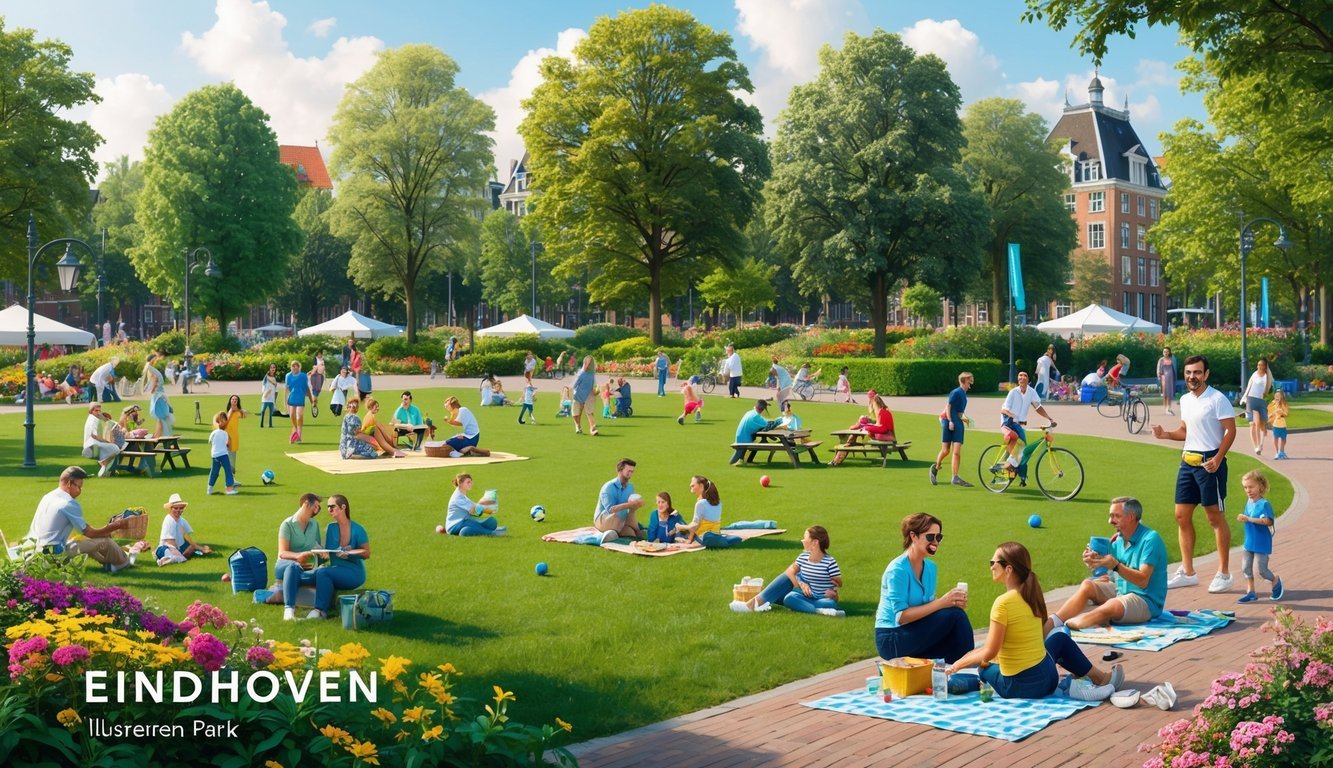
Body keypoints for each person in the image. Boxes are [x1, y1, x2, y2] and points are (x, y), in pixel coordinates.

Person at [947, 541, 1123, 702]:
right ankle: (1101, 678)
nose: (991, 566)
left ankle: (973, 684)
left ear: (1008, 570)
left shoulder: (1003, 603)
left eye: (994, 563)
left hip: (1022, 687)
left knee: (984, 668)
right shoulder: (1032, 595)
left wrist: (957, 665)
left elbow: (989, 651)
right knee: (1059, 639)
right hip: (1049, 677)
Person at [1151, 354, 1236, 593]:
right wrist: (1165, 434)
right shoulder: (1185, 400)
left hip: (1211, 462)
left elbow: (1230, 431)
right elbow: (1185, 430)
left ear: (1206, 374)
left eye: (1197, 372)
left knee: (1214, 517)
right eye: (1188, 373)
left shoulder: (1217, 399)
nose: (1192, 377)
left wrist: (1218, 459)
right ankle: (1188, 572)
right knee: (1181, 515)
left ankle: (1224, 574)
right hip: (1187, 462)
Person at [1053, 497, 1169, 631]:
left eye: (1116, 516)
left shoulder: (1150, 539)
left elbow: (1143, 581)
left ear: (1131, 517)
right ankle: (1054, 621)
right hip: (1122, 592)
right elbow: (1110, 575)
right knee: (1088, 585)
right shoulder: (1118, 541)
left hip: (1146, 601)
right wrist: (1094, 561)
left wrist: (1116, 566)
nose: (1110, 521)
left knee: (1111, 605)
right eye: (1110, 516)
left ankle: (1070, 625)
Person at [873, 513, 973, 663]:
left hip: (912, 631)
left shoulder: (931, 568)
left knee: (955, 625)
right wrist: (943, 603)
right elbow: (901, 617)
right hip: (891, 637)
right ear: (913, 536)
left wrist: (951, 603)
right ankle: (966, 669)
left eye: (938, 537)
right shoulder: (898, 570)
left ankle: (956, 676)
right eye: (930, 537)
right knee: (955, 616)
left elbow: (929, 606)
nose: (936, 542)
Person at [28, 467, 135, 571]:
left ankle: (109, 562)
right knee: (105, 542)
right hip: (53, 553)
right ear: (69, 484)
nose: (80, 491)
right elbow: (90, 533)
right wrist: (115, 526)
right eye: (79, 487)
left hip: (34, 548)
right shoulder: (68, 503)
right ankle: (123, 563)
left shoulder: (48, 496)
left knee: (83, 540)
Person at [732, 526, 844, 616]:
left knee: (825, 603)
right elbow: (789, 572)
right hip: (803, 596)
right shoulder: (803, 557)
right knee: (786, 596)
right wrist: (801, 583)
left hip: (822, 600)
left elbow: (838, 584)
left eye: (805, 538)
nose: (802, 540)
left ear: (815, 542)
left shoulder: (830, 562)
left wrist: (834, 594)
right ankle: (757, 602)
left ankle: (819, 611)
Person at [308, 494, 370, 620]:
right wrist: (319, 550)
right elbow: (328, 552)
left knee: (323, 573)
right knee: (316, 573)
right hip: (336, 569)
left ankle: (319, 610)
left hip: (354, 573)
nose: (329, 510)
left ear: (343, 507)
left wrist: (350, 552)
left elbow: (366, 553)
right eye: (328, 507)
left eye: (332, 506)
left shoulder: (358, 529)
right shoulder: (331, 528)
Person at [998, 371, 1055, 483]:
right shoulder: (1013, 393)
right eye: (1020, 376)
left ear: (1028, 380)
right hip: (1010, 423)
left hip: (1021, 425)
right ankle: (1008, 468)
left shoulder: (1031, 392)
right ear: (1018, 380)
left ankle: (1014, 471)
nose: (1022, 377)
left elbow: (1038, 407)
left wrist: (1049, 418)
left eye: (1025, 376)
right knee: (1023, 448)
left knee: (1023, 450)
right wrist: (1012, 416)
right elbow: (1003, 410)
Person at [1236, 470, 1283, 603]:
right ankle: (1251, 592)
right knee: (1245, 567)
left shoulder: (1264, 504)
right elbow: (1247, 517)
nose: (1248, 490)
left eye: (1251, 487)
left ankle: (1275, 580)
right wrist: (1243, 517)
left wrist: (1249, 519)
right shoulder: (1249, 502)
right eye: (1245, 487)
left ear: (1260, 487)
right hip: (1249, 541)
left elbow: (1268, 521)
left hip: (1261, 541)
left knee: (1262, 570)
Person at [275, 493, 322, 621]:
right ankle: (289, 610)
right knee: (293, 566)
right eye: (316, 506)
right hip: (286, 564)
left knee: (322, 572)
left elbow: (317, 546)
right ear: (306, 503)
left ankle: (318, 610)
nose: (317, 510)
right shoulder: (287, 524)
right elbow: (282, 553)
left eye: (319, 508)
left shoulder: (314, 524)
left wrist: (323, 552)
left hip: (307, 566)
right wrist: (298, 556)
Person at [930, 372, 975, 488]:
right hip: (947, 421)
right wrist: (950, 421)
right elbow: (948, 407)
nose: (971, 382)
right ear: (963, 381)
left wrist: (968, 422)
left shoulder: (964, 396)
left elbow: (960, 414)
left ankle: (955, 477)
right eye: (970, 380)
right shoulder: (955, 392)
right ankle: (935, 468)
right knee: (945, 451)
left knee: (956, 452)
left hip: (957, 423)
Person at [828, 394, 895, 466]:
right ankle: (842, 453)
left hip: (884, 432)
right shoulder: (883, 411)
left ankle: (838, 458)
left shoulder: (882, 412)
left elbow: (880, 426)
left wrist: (868, 426)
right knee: (854, 437)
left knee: (854, 437)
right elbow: (878, 424)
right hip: (884, 431)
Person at [593, 458, 645, 543]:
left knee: (631, 534)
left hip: (620, 520)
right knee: (624, 511)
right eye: (628, 471)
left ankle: (624, 532)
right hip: (603, 519)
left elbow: (629, 508)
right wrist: (630, 505)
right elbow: (611, 510)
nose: (630, 474)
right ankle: (637, 530)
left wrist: (636, 506)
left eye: (632, 471)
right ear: (620, 470)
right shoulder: (608, 487)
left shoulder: (630, 487)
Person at [156, 492, 211, 565]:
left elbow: (186, 535)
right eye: (175, 508)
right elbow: (170, 543)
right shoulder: (169, 521)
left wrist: (199, 547)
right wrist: (184, 552)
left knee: (192, 548)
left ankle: (175, 558)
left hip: (179, 546)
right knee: (170, 553)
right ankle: (168, 559)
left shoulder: (181, 520)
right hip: (167, 548)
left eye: (181, 508)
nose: (178, 510)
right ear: (170, 508)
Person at [680, 475, 728, 546]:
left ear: (701, 486)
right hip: (716, 534)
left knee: (677, 522)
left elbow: (695, 525)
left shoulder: (700, 504)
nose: (690, 485)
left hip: (702, 537)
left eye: (693, 483)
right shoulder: (718, 502)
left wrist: (682, 528)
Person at [729, 399, 778, 465]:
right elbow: (767, 424)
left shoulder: (750, 412)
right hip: (744, 439)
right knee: (742, 451)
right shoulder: (756, 416)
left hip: (740, 436)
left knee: (751, 445)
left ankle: (741, 461)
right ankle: (734, 463)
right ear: (763, 409)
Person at [81, 402, 122, 478]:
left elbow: (106, 420)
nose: (98, 412)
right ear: (91, 411)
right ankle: (104, 463)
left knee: (114, 449)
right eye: (96, 411)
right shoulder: (93, 420)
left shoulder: (93, 417)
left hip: (93, 444)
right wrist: (108, 442)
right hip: (92, 445)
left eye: (99, 410)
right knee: (116, 448)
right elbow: (94, 436)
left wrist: (105, 417)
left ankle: (106, 466)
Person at [1244, 358, 1274, 456]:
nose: (1259, 366)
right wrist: (1244, 398)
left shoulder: (1267, 377)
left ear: (1265, 366)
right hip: (1251, 400)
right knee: (1253, 424)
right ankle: (1256, 446)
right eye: (1258, 364)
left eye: (1261, 365)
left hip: (1260, 401)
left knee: (1261, 425)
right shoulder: (1254, 374)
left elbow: (1270, 389)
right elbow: (1249, 386)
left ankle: (1260, 444)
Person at [206, 411, 238, 496]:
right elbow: (228, 444)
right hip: (223, 455)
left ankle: (209, 489)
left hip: (215, 455)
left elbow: (210, 442)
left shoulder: (213, 433)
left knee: (214, 472)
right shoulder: (225, 434)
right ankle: (229, 489)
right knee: (228, 471)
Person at [143, 352, 173, 438]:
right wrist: (153, 388)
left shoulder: (150, 368)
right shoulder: (150, 368)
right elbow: (155, 380)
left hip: (158, 394)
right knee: (161, 417)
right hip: (158, 395)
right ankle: (158, 435)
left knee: (160, 418)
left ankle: (157, 434)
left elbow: (153, 380)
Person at [571, 356, 600, 436]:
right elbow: (574, 385)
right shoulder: (581, 373)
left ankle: (593, 428)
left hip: (589, 394)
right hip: (578, 394)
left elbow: (595, 385)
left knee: (589, 411)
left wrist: (596, 390)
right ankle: (577, 425)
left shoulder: (592, 374)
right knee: (576, 411)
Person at [284, 360, 310, 444]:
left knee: (299, 416)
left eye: (296, 366)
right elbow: (287, 389)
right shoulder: (288, 376)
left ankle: (299, 434)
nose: (295, 367)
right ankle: (295, 430)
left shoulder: (303, 376)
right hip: (291, 398)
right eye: (293, 366)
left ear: (299, 367)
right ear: (291, 367)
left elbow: (307, 388)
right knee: (292, 415)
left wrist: (311, 399)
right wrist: (285, 401)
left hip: (300, 398)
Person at [224, 394, 247, 479]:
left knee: (232, 459)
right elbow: (226, 422)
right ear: (230, 401)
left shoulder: (238, 412)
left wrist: (239, 410)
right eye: (232, 399)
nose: (234, 401)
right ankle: (230, 480)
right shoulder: (228, 412)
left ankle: (231, 479)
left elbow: (245, 414)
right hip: (228, 439)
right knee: (229, 459)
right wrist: (232, 410)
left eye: (236, 400)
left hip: (234, 438)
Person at [1270, 390, 1290, 459]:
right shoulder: (1273, 404)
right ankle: (1276, 452)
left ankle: (1282, 452)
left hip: (1283, 424)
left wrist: (1281, 412)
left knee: (1283, 439)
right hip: (1275, 424)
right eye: (1276, 396)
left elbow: (1286, 413)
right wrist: (1270, 415)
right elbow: (1270, 412)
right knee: (1275, 438)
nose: (1277, 397)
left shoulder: (1284, 404)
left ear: (1282, 396)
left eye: (1278, 396)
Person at [1157, 347, 1177, 416]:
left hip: (1171, 378)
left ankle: (1169, 407)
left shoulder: (1172, 359)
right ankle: (1165, 408)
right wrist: (1159, 376)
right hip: (1164, 378)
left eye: (1167, 351)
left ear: (1169, 352)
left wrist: (1175, 378)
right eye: (1164, 351)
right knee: (1165, 394)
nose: (1165, 353)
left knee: (1170, 393)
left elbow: (1175, 369)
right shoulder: (1161, 360)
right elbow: (1158, 369)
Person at [260, 363, 280, 427]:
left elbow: (276, 389)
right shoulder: (266, 377)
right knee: (263, 411)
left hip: (272, 398)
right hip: (266, 397)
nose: (272, 369)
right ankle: (261, 424)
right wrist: (264, 394)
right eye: (271, 367)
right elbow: (263, 385)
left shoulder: (275, 377)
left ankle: (270, 425)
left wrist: (275, 398)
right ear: (269, 368)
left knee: (271, 412)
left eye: (274, 367)